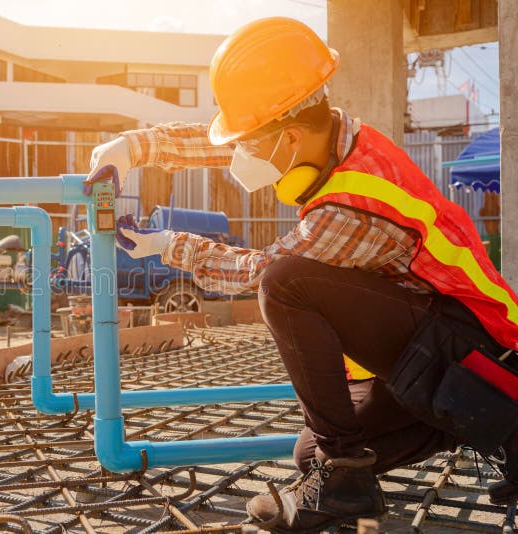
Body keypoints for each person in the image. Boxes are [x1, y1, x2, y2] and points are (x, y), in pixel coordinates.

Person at [84, 17, 518, 532]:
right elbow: (224, 141)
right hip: (437, 345)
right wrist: (136, 148)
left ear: (289, 136)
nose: (238, 155)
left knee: (285, 283)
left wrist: (168, 246)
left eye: (248, 142)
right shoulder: (336, 135)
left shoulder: (354, 204)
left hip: (479, 351)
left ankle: (345, 479)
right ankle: (476, 424)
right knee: (307, 453)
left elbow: (260, 270)